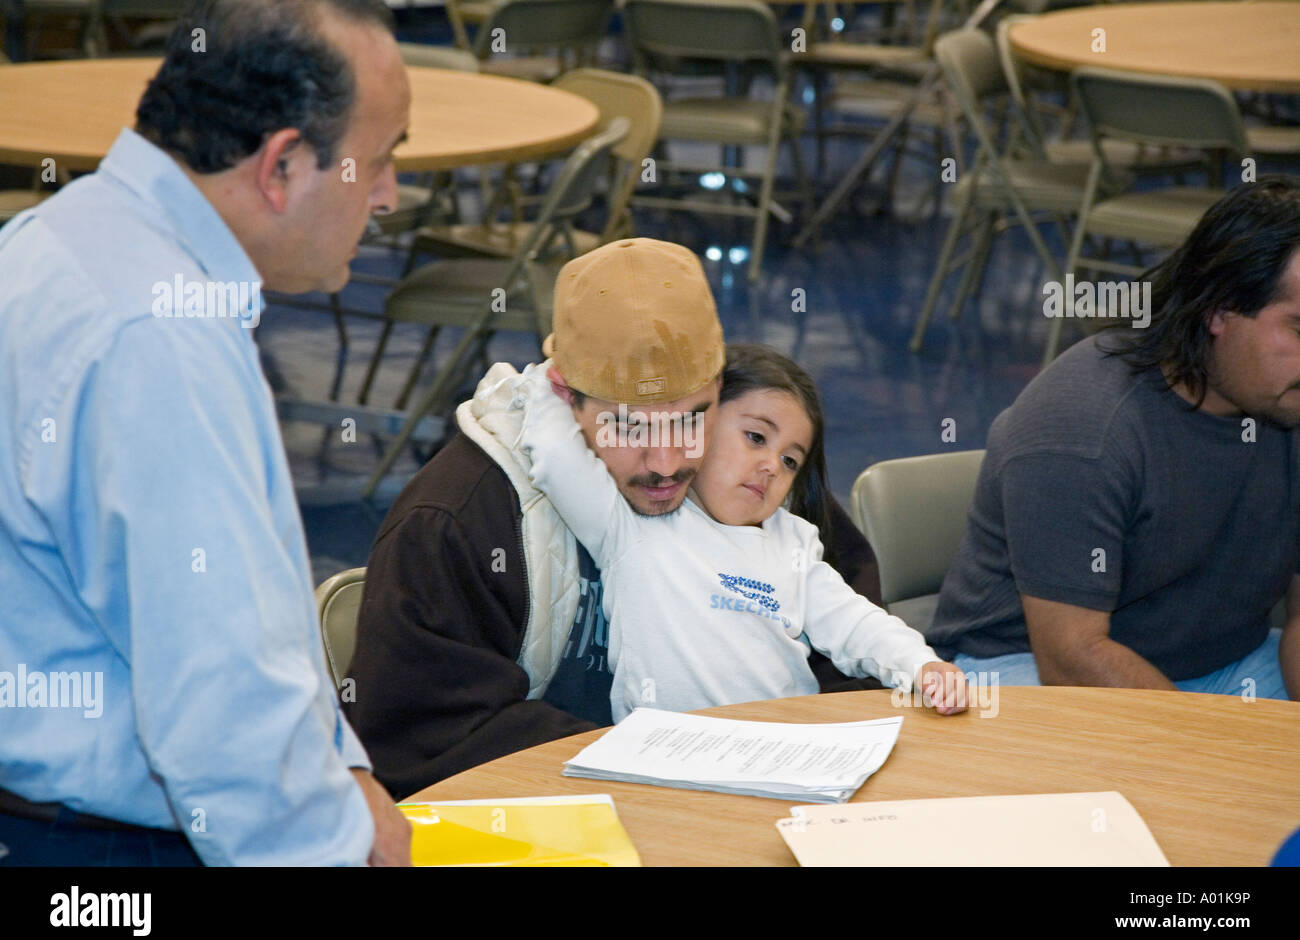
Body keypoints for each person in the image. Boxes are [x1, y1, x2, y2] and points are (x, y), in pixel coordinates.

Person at [0, 0, 412, 864]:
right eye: (376, 163)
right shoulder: (160, 341)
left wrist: (345, 769)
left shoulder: (63, 238)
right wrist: (333, 844)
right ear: (283, 166)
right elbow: (223, 712)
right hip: (104, 842)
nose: (389, 197)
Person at [346, 238, 892, 798]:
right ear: (564, 394)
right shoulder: (455, 521)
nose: (666, 464)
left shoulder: (752, 473)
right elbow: (420, 745)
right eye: (630, 428)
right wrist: (654, 768)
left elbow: (849, 658)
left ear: (721, 388)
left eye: (691, 419)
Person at [926, 176, 1300, 700]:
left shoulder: (1284, 397)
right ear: (1218, 310)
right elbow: (1072, 657)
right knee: (1192, 779)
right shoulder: (1084, 429)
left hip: (1224, 661)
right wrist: (1215, 753)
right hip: (1027, 667)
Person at [519, 342, 970, 719]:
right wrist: (552, 381)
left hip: (785, 747)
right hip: (666, 757)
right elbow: (558, 460)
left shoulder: (792, 542)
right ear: (699, 423)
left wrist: (920, 665)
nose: (772, 465)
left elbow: (856, 623)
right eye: (756, 437)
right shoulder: (634, 522)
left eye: (791, 460)